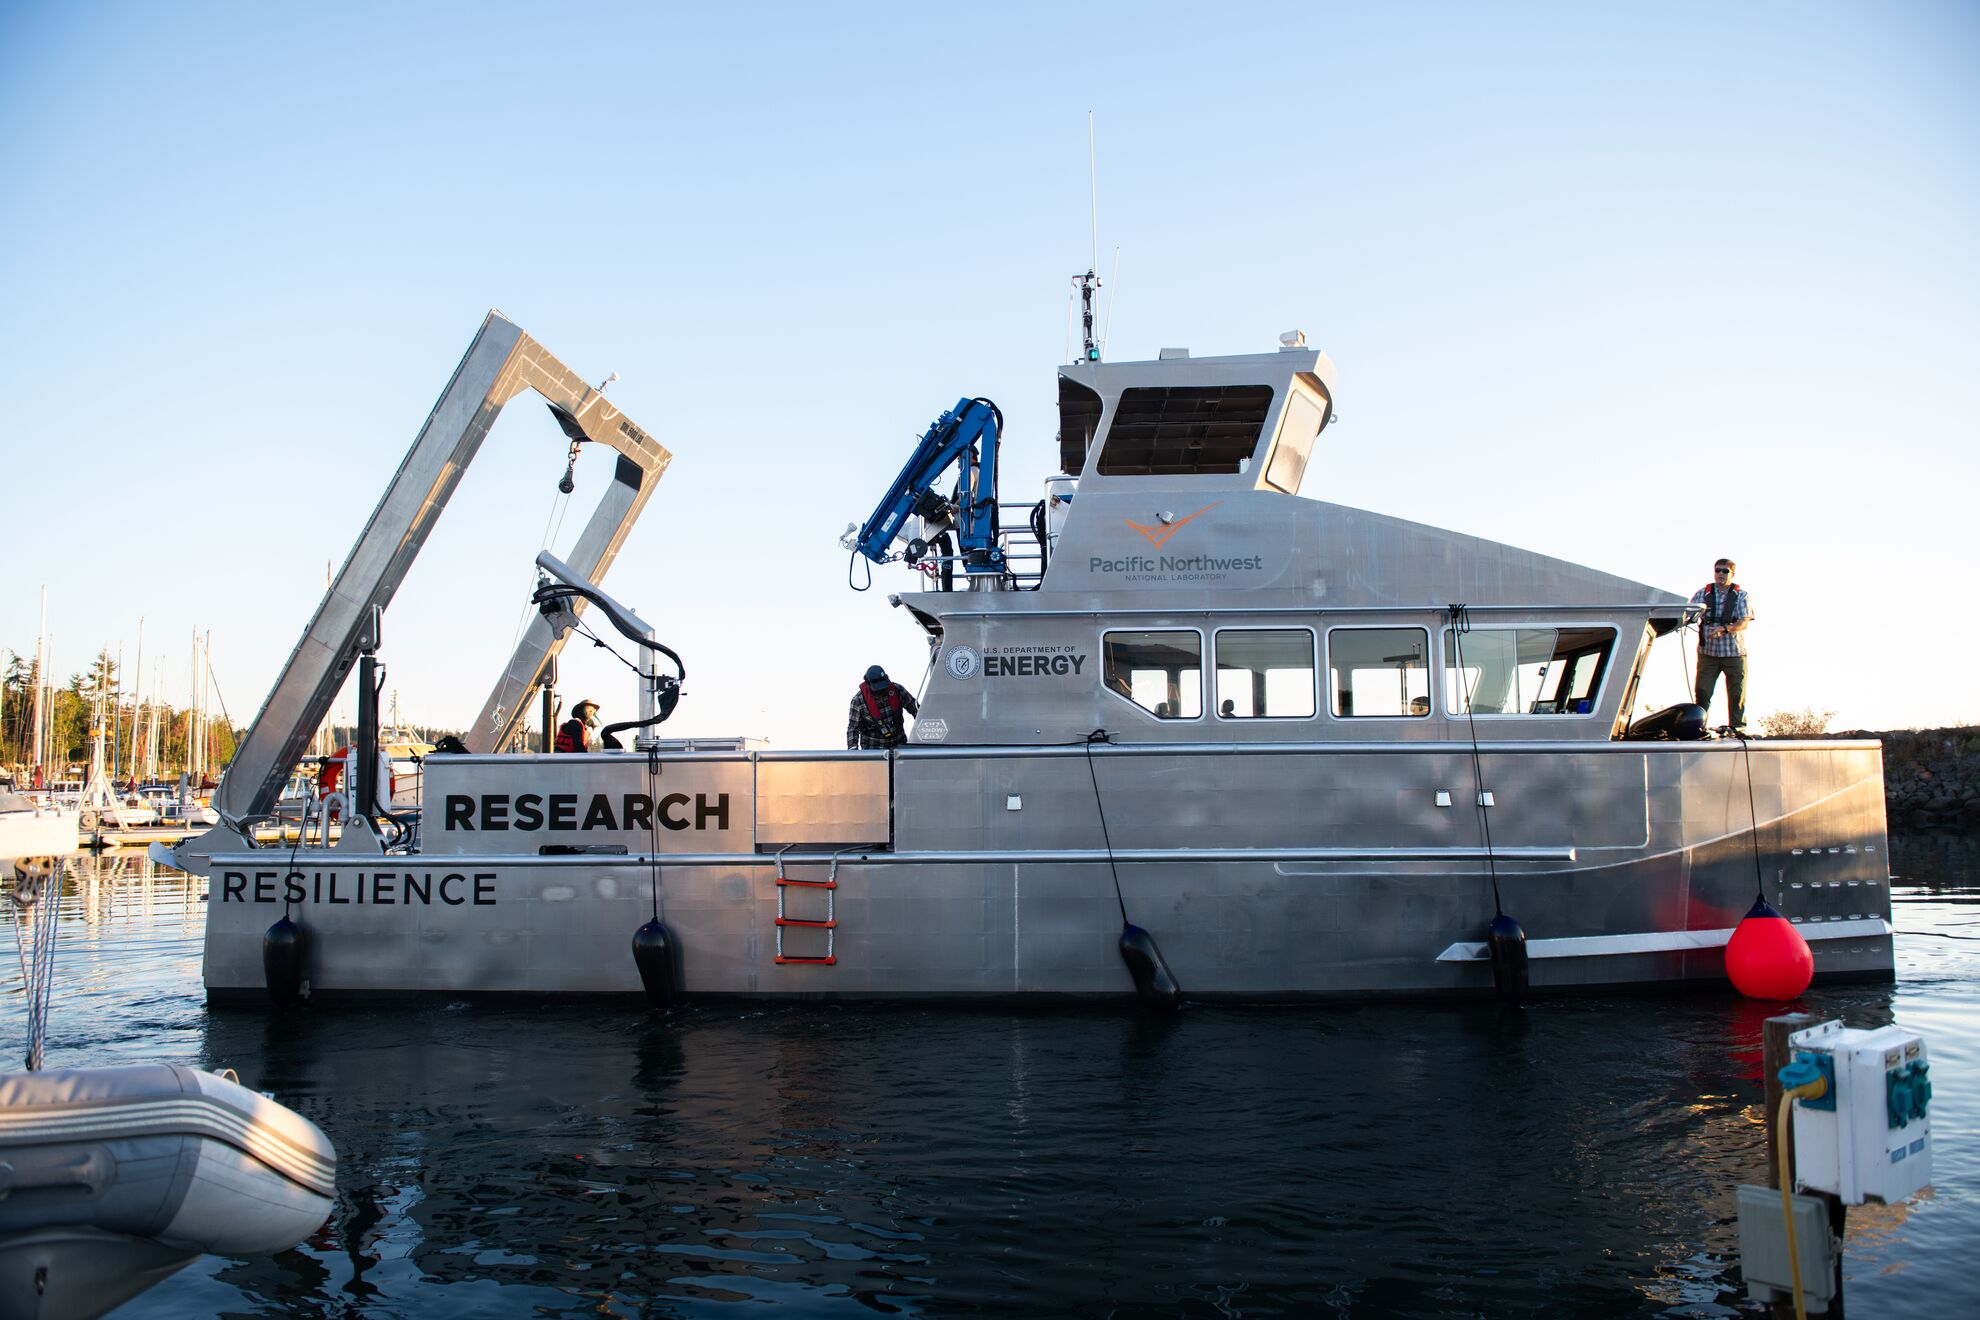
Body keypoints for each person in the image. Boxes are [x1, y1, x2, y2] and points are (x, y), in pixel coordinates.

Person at [1690, 558, 1753, 735]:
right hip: (1707, 653)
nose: (1720, 574)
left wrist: (1725, 628)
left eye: (1725, 571)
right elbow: (1688, 614)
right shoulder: (1703, 593)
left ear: (1732, 574)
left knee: (1736, 693)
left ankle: (1737, 727)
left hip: (1733, 652)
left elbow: (1743, 623)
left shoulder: (1741, 595)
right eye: (1718, 570)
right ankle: (1698, 728)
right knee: (1702, 691)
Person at [847, 665, 918, 749]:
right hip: (872, 748)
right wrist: (853, 750)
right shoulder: (858, 701)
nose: (881, 691)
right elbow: (853, 728)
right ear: (869, 684)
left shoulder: (898, 690)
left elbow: (917, 711)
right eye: (878, 688)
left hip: (899, 746)